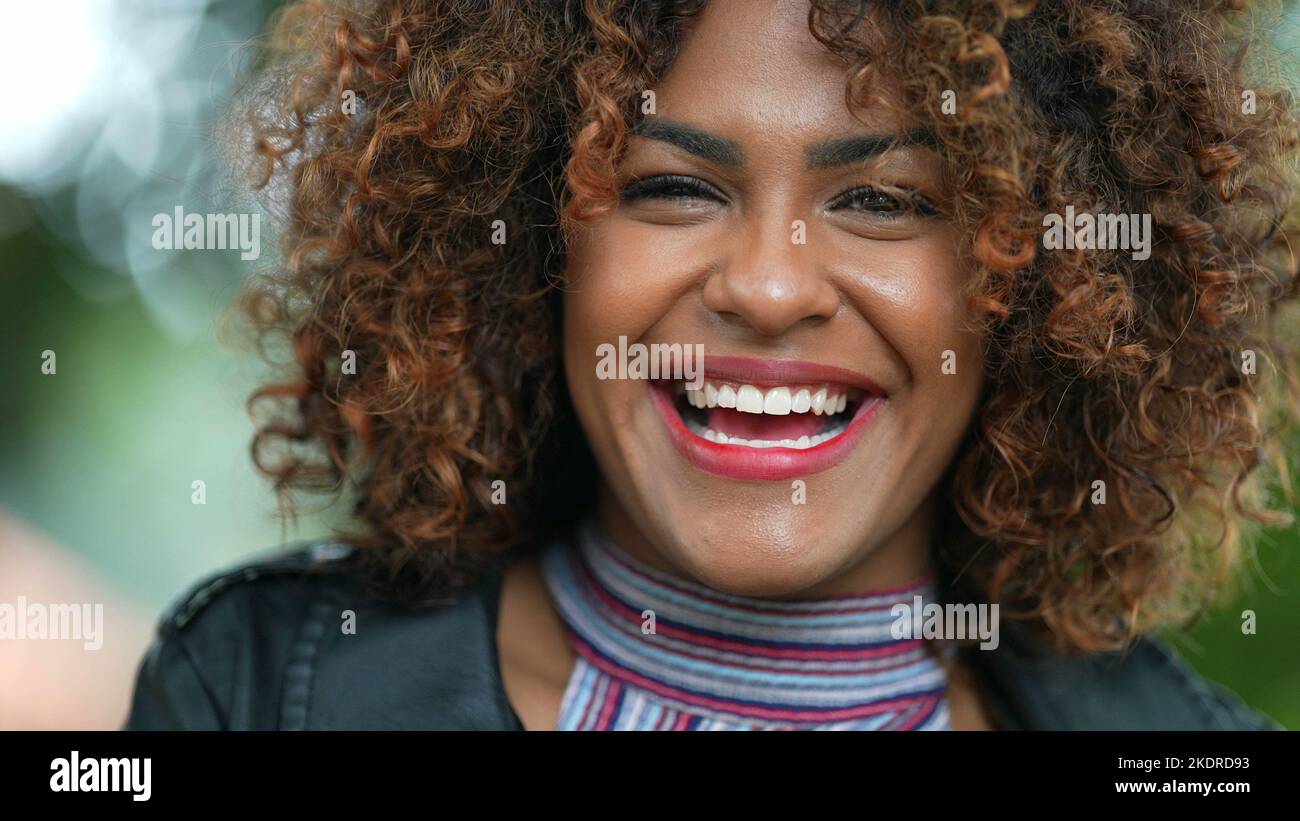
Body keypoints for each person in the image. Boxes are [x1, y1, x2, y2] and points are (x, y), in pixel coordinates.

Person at [126, 0, 1298, 730]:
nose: (769, 286)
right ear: (538, 243)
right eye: (672, 187)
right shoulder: (255, 691)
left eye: (882, 199)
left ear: (1038, 277)